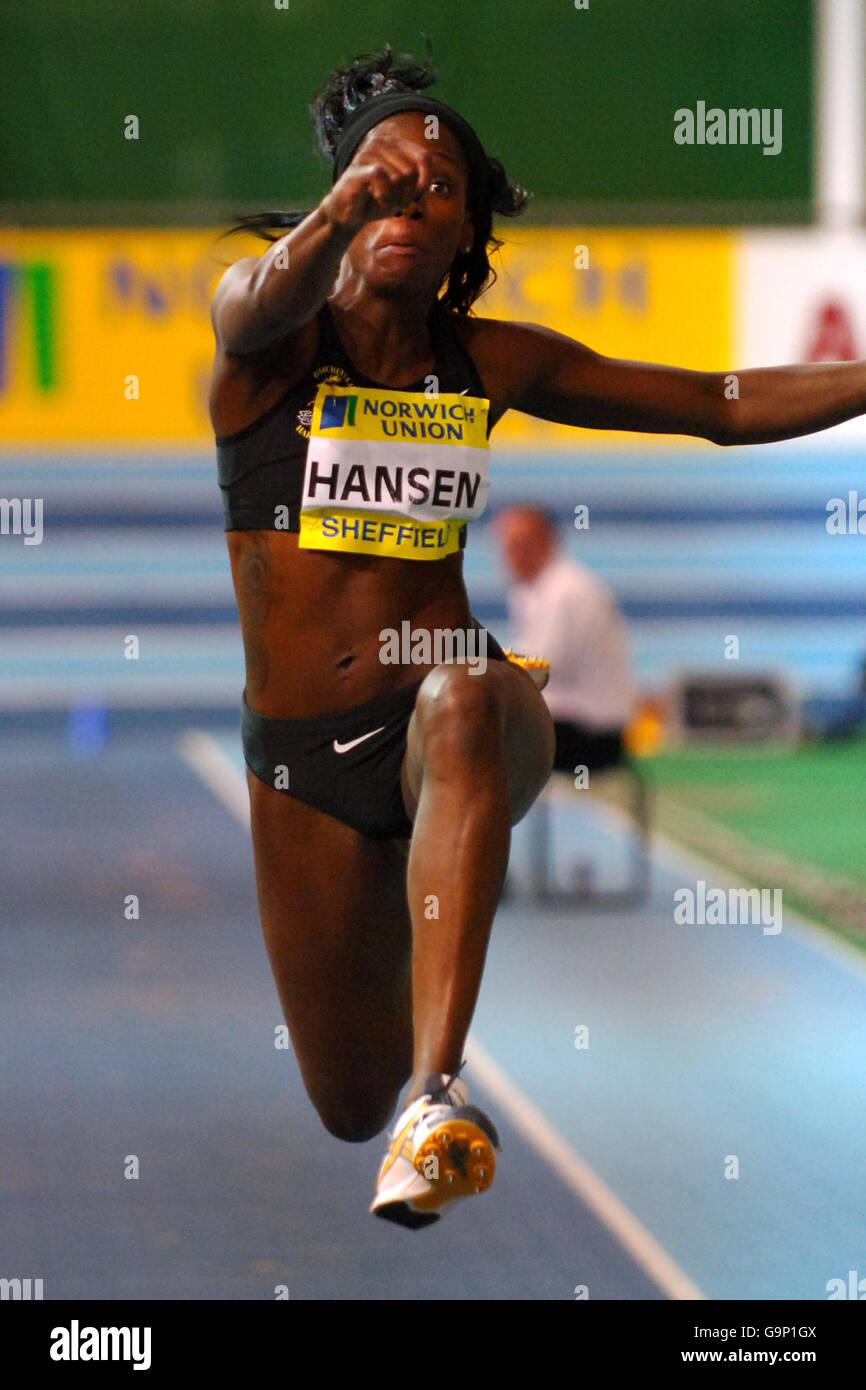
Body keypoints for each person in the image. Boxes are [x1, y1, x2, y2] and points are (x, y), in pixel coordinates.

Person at [210, 44, 866, 1229]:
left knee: (464, 694)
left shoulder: (488, 363)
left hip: (445, 706)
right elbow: (255, 296)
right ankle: (394, 1097)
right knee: (344, 1102)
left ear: (467, 233)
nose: (408, 195)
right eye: (381, 175)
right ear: (340, 197)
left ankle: (437, 1092)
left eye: (439, 187)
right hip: (302, 754)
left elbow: (717, 405)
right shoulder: (267, 353)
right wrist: (338, 208)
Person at [495, 503, 636, 775]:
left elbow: (538, 670)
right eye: (507, 547)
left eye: (520, 545)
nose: (512, 556)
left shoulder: (564, 591)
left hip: (592, 735)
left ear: (547, 541)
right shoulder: (534, 590)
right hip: (574, 725)